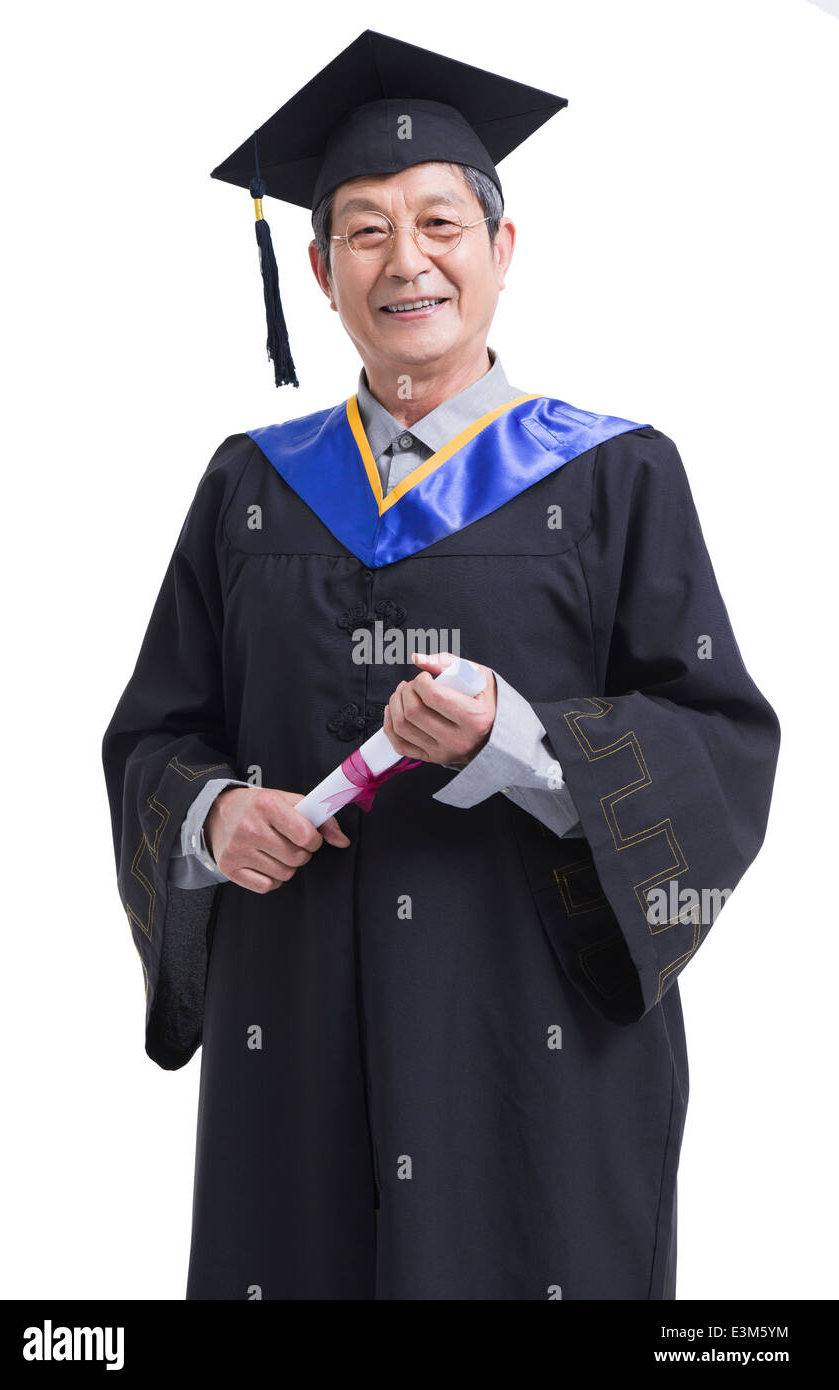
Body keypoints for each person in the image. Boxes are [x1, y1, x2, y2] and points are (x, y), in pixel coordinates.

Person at [102, 29, 780, 1300]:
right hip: (293, 1044)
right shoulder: (250, 488)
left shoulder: (613, 475)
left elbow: (720, 744)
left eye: (438, 222)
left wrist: (517, 745)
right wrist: (208, 813)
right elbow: (153, 733)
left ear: (501, 250)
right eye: (363, 230)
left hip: (526, 1054)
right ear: (316, 269)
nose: (404, 260)